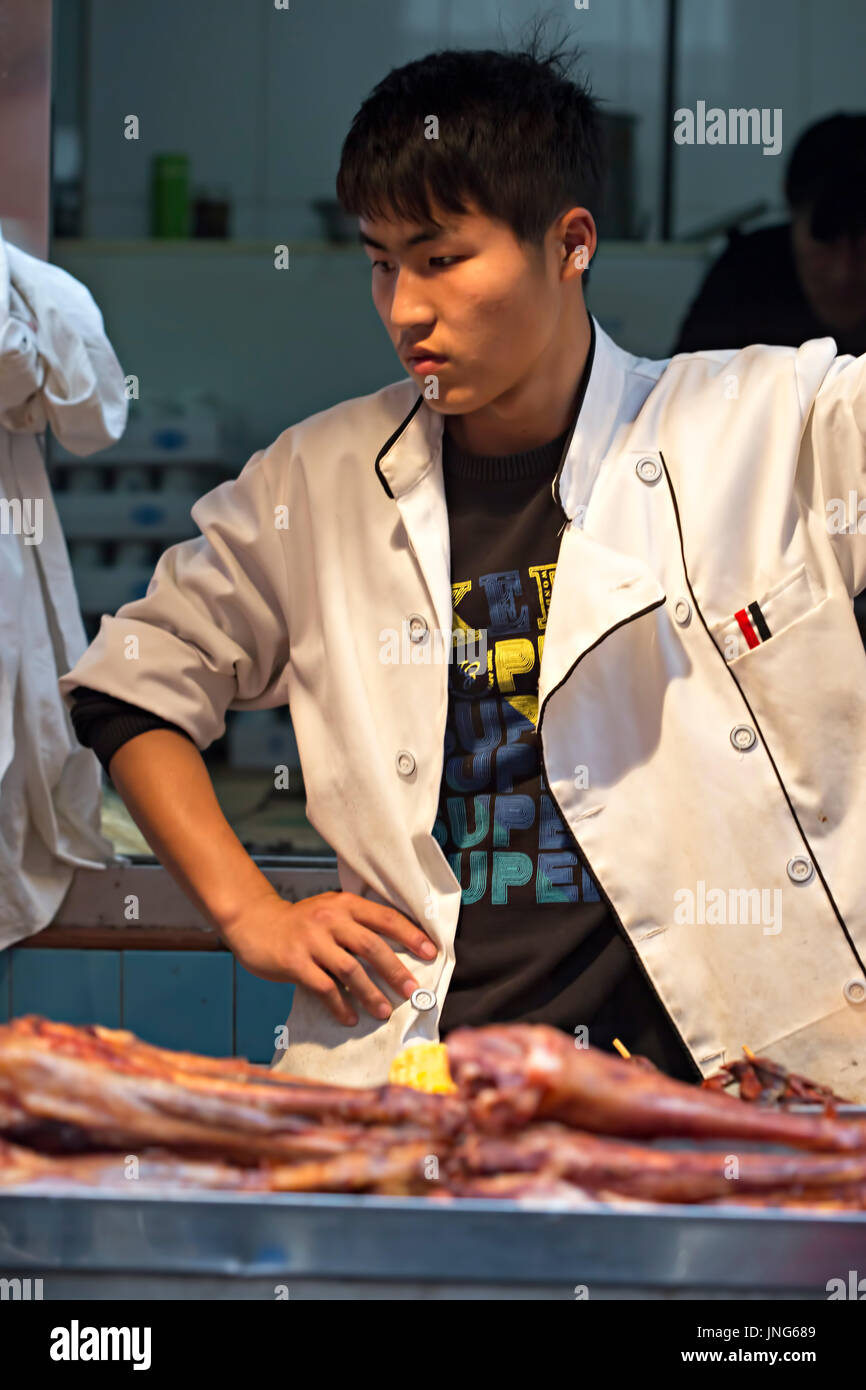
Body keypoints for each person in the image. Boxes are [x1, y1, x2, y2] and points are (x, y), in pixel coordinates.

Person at [59, 36, 866, 1096]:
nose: (403, 310)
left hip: (729, 1088)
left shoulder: (769, 421)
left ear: (569, 243)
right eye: (381, 262)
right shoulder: (322, 477)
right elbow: (133, 684)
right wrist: (248, 910)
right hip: (427, 1088)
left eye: (440, 260)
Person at [671, 113, 866, 357]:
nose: (843, 273)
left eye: (862, 249)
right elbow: (688, 382)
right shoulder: (744, 277)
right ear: (791, 208)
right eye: (825, 245)